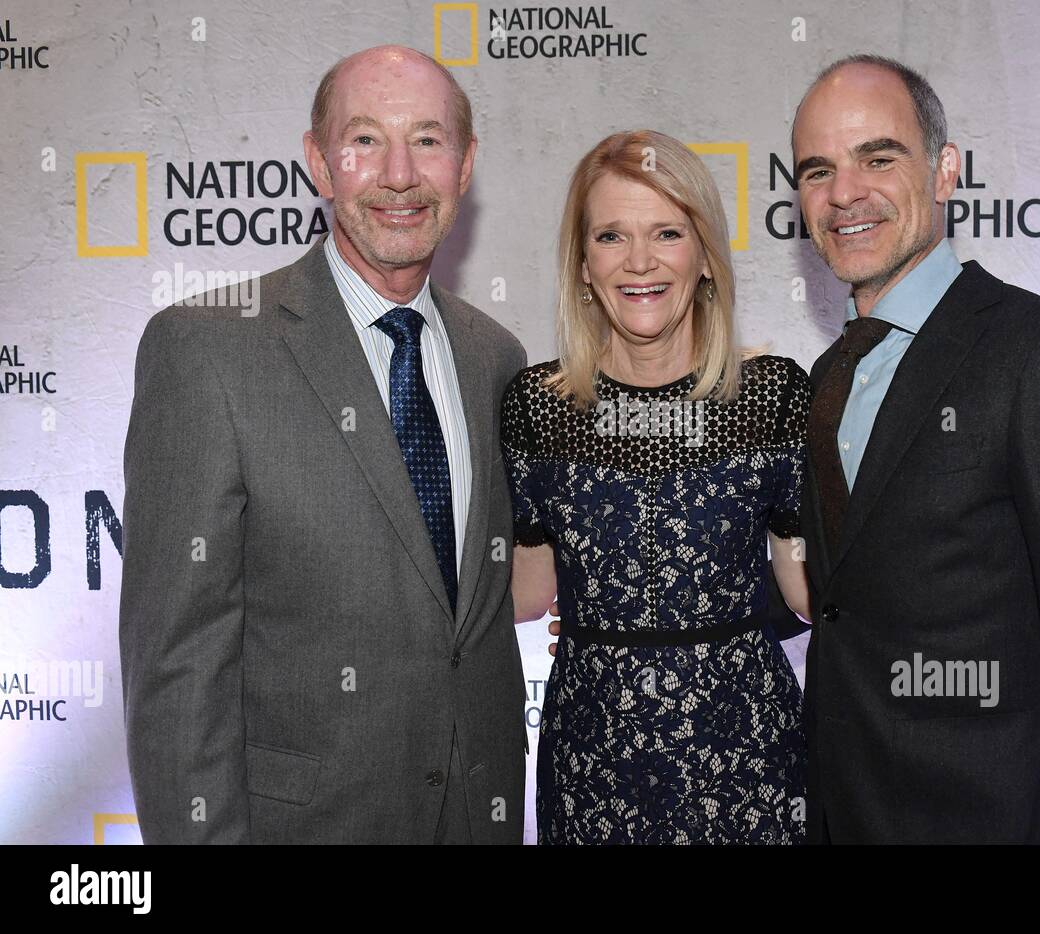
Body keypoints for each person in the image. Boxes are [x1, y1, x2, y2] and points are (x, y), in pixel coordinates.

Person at [119, 46, 527, 843]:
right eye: (365, 140)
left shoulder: (496, 359)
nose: (400, 174)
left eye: (430, 140)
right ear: (318, 162)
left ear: (467, 164)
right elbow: (175, 667)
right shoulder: (206, 350)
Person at [789, 55, 1040, 843]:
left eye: (878, 157)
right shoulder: (829, 377)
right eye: (818, 170)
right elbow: (848, 600)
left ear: (945, 171)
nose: (844, 192)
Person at [503, 130, 812, 844]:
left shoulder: (770, 397)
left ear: (703, 254)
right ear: (583, 264)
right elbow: (526, 590)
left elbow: (807, 594)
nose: (639, 262)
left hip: (748, 764)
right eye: (611, 236)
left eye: (667, 232)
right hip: (593, 768)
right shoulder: (538, 407)